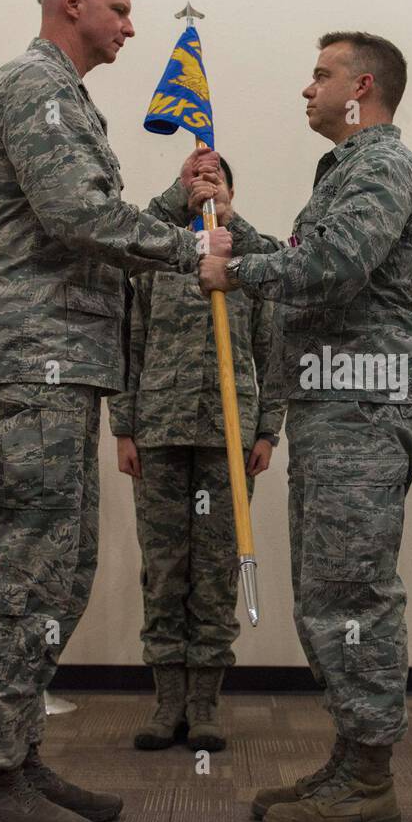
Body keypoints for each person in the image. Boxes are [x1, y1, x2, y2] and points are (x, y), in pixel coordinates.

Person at [0, 0, 229, 822]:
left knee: (59, 574)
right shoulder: (34, 85)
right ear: (72, 3)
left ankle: (16, 757)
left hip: (64, 368)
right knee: (20, 569)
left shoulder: (65, 95)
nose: (131, 27)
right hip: (31, 364)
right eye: (120, 9)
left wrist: (173, 207)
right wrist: (190, 250)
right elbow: (76, 215)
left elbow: (83, 224)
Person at [198, 31, 412, 822]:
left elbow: (336, 266)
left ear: (361, 87)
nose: (308, 88)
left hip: (364, 408)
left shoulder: (382, 165)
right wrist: (240, 231)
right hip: (335, 407)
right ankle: (351, 756)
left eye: (321, 74)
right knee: (329, 589)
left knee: (354, 591)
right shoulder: (348, 168)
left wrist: (237, 269)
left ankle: (370, 781)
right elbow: (310, 257)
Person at [112, 157, 285, 753]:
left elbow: (272, 345)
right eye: (197, 183)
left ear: (234, 191)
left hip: (226, 438)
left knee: (213, 574)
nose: (205, 191)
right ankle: (166, 704)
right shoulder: (156, 254)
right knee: (164, 572)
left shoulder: (249, 257)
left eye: (216, 184)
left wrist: (268, 430)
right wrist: (124, 427)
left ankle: (205, 704)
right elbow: (128, 343)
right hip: (158, 435)